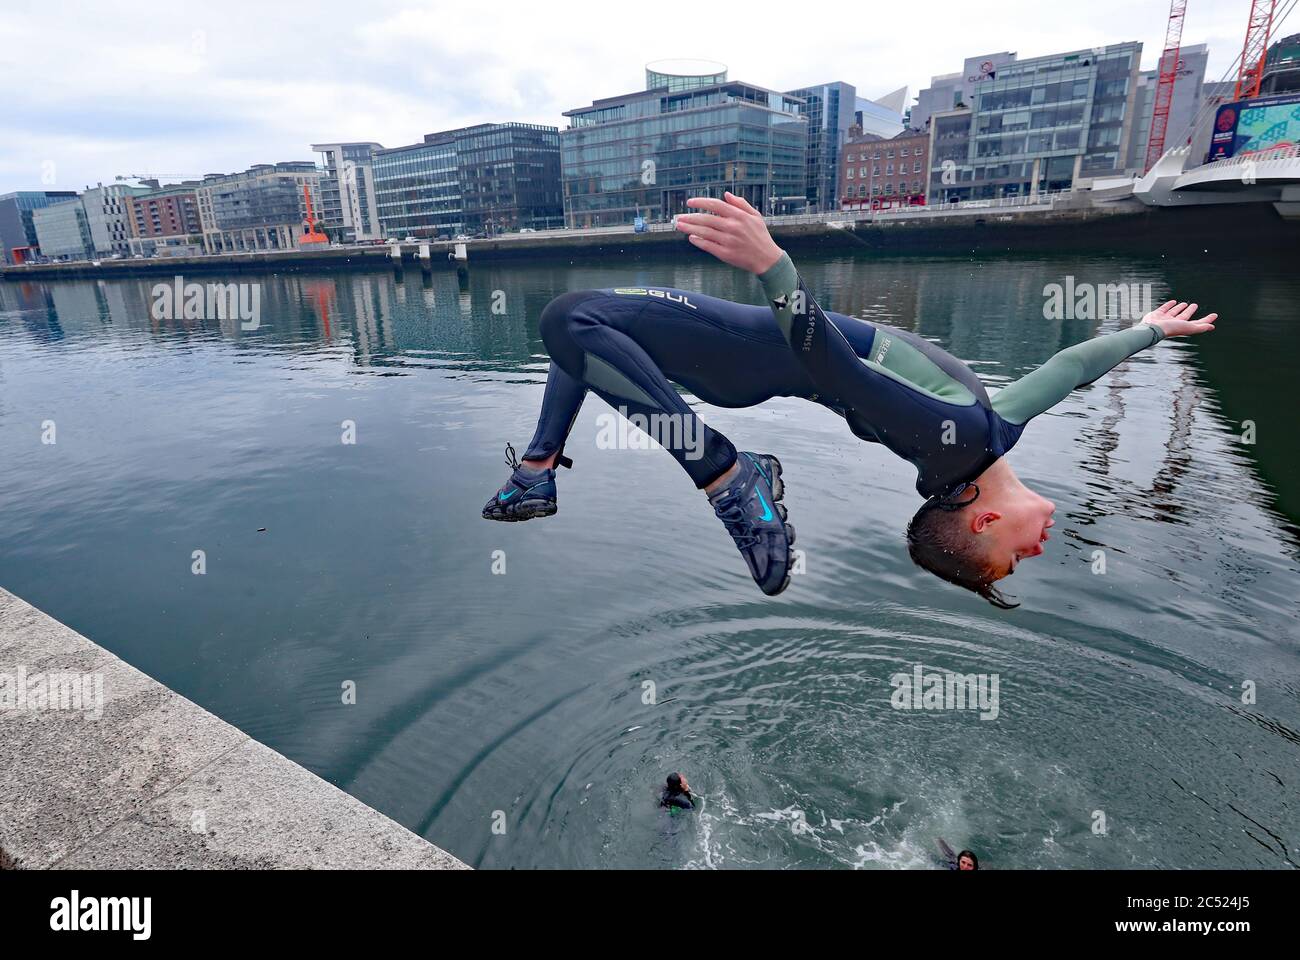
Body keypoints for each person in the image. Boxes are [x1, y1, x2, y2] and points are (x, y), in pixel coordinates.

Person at [483, 192, 1218, 605]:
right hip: (748, 356)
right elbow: (1070, 367)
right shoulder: (992, 433)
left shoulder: (953, 441)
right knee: (581, 333)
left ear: (984, 518)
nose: (1033, 552)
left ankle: (729, 479)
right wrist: (1147, 331)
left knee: (569, 320)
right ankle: (539, 473)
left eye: (1008, 559)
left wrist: (778, 271)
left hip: (753, 351)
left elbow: (839, 374)